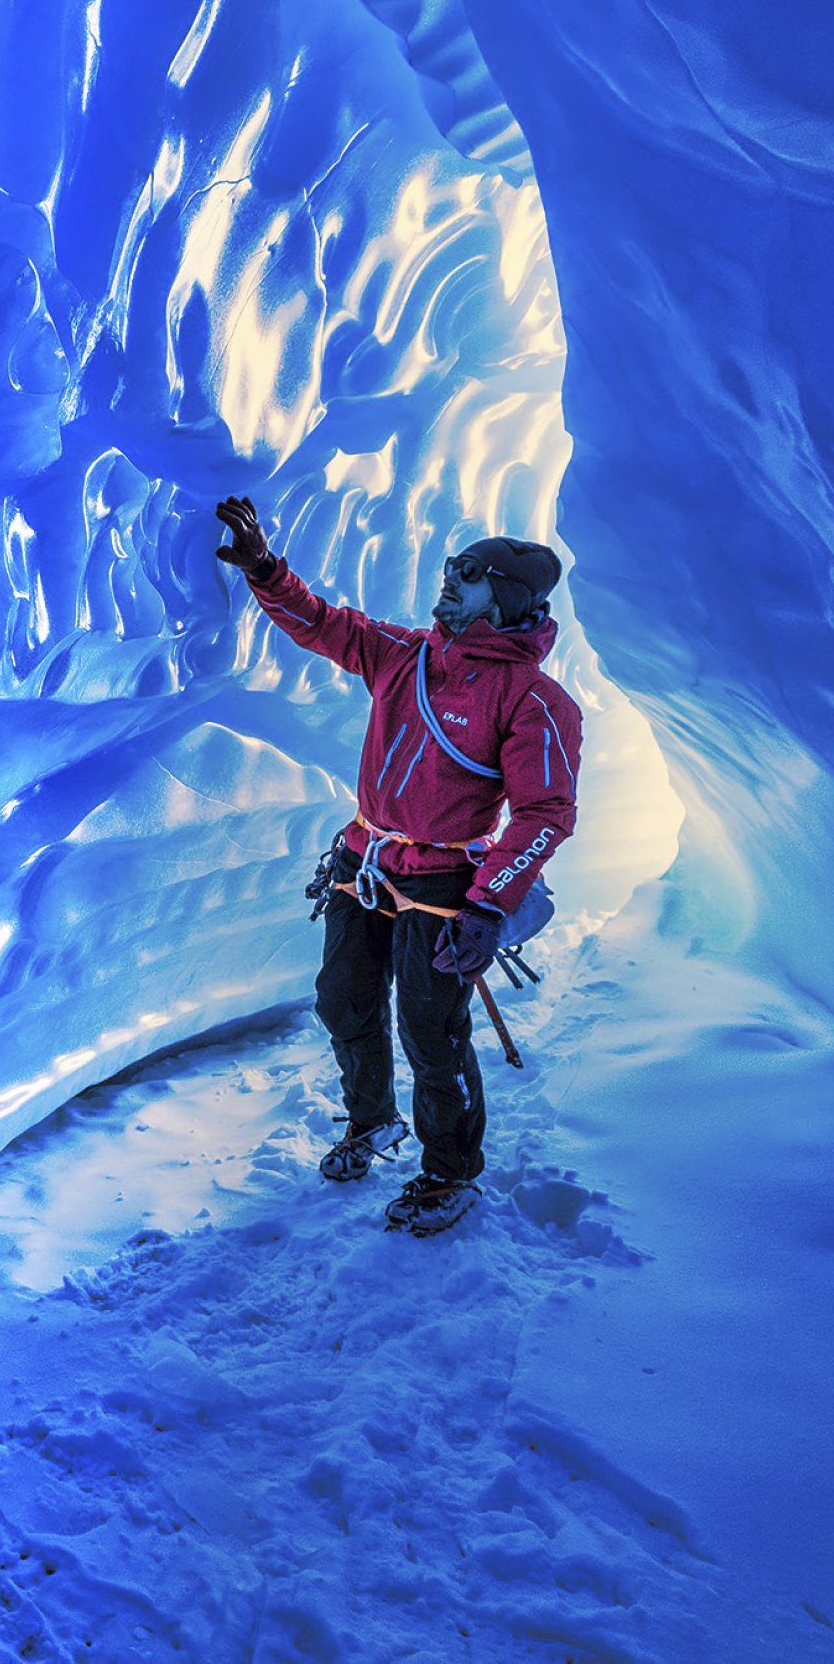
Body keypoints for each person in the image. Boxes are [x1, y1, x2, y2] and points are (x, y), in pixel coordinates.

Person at [213, 495, 582, 1236]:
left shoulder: (535, 702)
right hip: (365, 859)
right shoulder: (406, 656)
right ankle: (373, 1120)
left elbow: (545, 812)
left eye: (468, 574)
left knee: (430, 1030)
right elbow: (326, 624)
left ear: (505, 598)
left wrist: (487, 905)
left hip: (446, 885)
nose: (449, 580)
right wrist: (265, 569)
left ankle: (450, 1171)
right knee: (343, 999)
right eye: (451, 567)